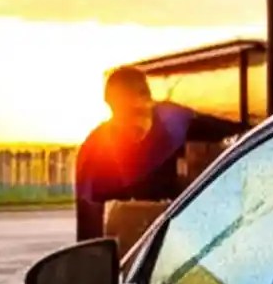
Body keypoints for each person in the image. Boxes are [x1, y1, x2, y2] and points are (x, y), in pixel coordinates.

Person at [74, 66, 242, 241]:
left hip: (173, 241)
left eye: (138, 111)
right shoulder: (95, 152)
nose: (133, 125)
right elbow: (88, 228)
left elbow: (233, 130)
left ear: (148, 99)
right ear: (110, 106)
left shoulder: (174, 123)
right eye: (125, 114)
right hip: (127, 248)